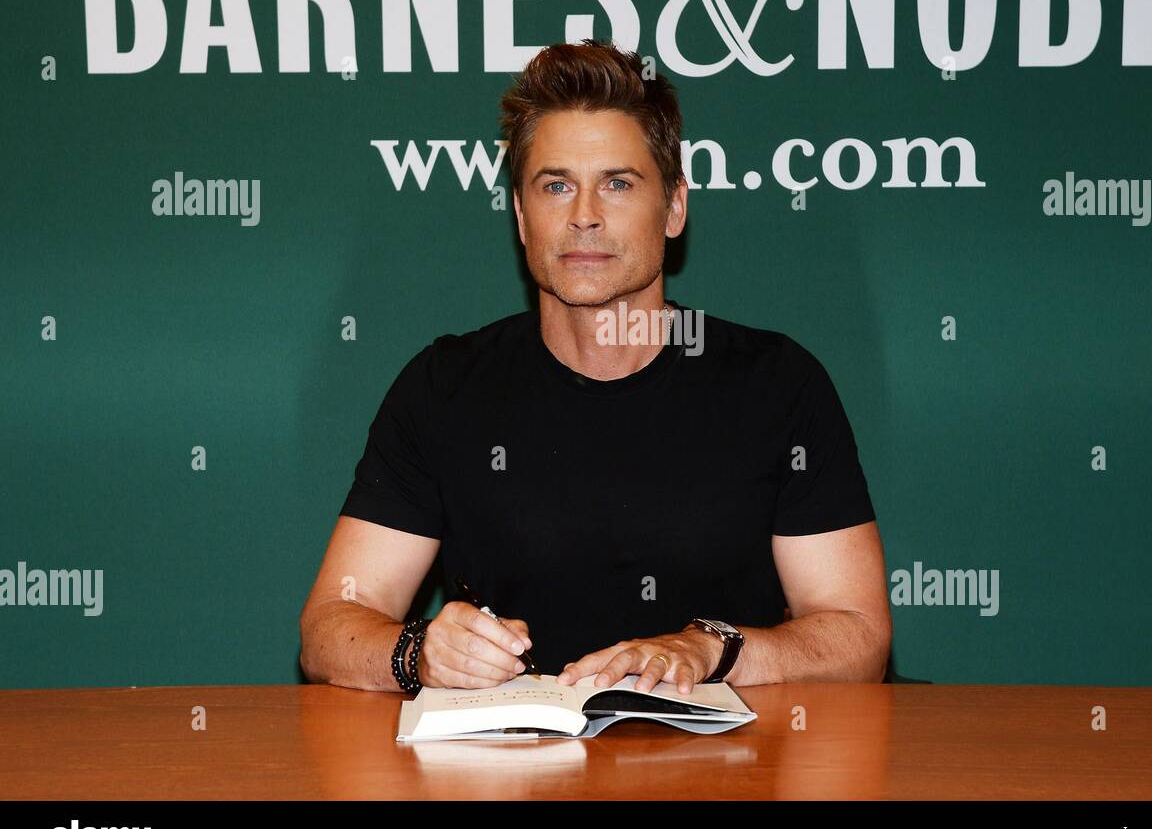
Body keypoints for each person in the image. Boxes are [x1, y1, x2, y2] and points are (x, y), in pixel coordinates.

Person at [299, 39, 891, 697]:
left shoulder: (779, 384)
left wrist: (714, 648)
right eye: (556, 185)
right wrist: (419, 651)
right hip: (505, 775)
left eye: (617, 183)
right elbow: (329, 626)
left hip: (726, 776)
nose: (583, 216)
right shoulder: (444, 387)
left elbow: (859, 634)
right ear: (522, 217)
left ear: (673, 207)